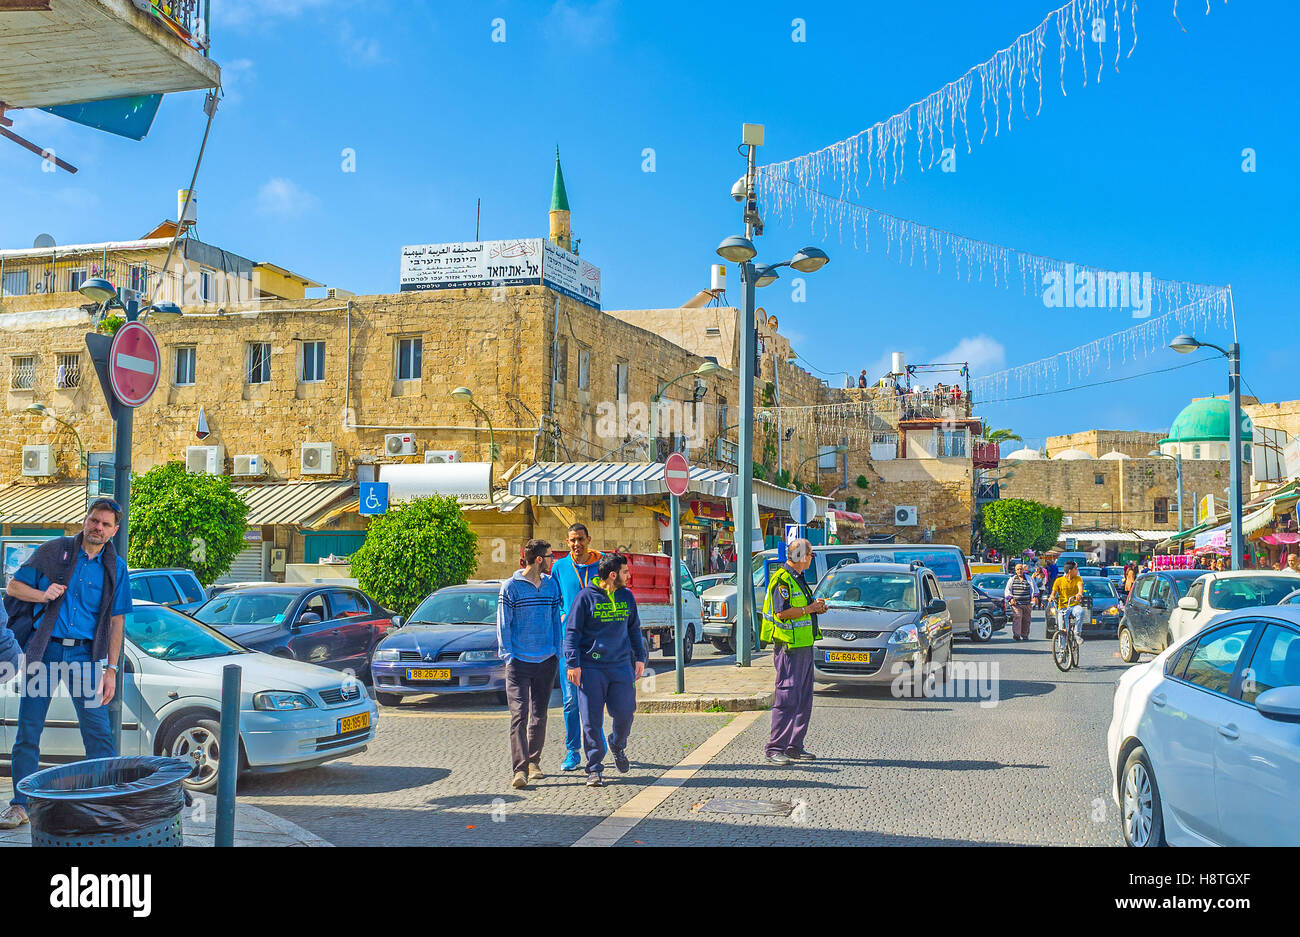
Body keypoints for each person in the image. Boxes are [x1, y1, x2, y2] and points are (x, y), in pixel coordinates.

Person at [0, 499, 131, 830]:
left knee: (98, 732)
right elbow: (14, 586)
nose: (97, 527)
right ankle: (21, 804)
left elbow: (117, 622)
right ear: (85, 521)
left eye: (104, 524)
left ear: (114, 530)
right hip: (43, 653)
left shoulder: (116, 568)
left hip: (85, 659)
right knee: (29, 730)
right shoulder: (54, 550)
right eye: (93, 520)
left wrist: (111, 670)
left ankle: (104, 802)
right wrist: (43, 595)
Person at [564, 553, 646, 788]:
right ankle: (594, 768)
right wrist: (573, 663)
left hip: (620, 666)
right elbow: (572, 633)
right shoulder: (585, 598)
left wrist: (639, 658)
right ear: (613, 575)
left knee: (625, 712)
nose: (628, 575)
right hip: (591, 668)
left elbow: (634, 629)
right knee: (591, 720)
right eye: (624, 572)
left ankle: (617, 744)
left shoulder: (627, 597)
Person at [497, 539, 563, 790]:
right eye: (549, 556)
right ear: (538, 559)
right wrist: (508, 655)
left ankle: (534, 762)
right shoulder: (510, 587)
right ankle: (520, 769)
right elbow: (503, 623)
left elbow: (555, 619)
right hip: (518, 663)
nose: (552, 560)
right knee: (519, 716)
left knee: (539, 714)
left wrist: (557, 649)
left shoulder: (550, 585)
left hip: (546, 660)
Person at [761, 538, 826, 765]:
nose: (811, 558)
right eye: (810, 554)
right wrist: (810, 608)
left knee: (803, 699)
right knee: (787, 698)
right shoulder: (783, 579)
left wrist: (815, 607)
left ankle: (794, 746)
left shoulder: (797, 578)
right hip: (789, 649)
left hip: (803, 647)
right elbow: (782, 612)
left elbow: (801, 610)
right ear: (801, 556)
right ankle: (775, 748)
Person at [551, 523, 603, 772]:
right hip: (568, 643)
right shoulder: (559, 567)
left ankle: (598, 740)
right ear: (567, 541)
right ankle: (573, 751)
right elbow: (555, 599)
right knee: (571, 699)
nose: (576, 544)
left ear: (588, 539)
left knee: (595, 697)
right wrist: (562, 613)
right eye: (572, 540)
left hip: (596, 643)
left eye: (580, 539)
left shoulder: (601, 565)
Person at [1048, 560, 1087, 648]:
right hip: (1062, 607)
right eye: (1076, 569)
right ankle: (1062, 650)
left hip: (1074, 605)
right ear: (1070, 570)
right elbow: (1053, 593)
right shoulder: (1059, 581)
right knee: (1062, 630)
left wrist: (1079, 594)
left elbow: (1080, 587)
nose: (1077, 571)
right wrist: (1051, 597)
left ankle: (1077, 633)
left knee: (1080, 612)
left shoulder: (1078, 579)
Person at [1003, 563, 1037, 641]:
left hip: (1027, 603)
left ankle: (1025, 635)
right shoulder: (1012, 579)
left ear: (1023, 570)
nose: (1019, 571)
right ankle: (1017, 634)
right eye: (1018, 569)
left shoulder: (1029, 578)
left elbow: (1035, 588)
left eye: (1021, 569)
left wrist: (1035, 597)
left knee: (1026, 619)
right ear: (1015, 571)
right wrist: (1010, 598)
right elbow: (1007, 590)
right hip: (1016, 604)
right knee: (1017, 618)